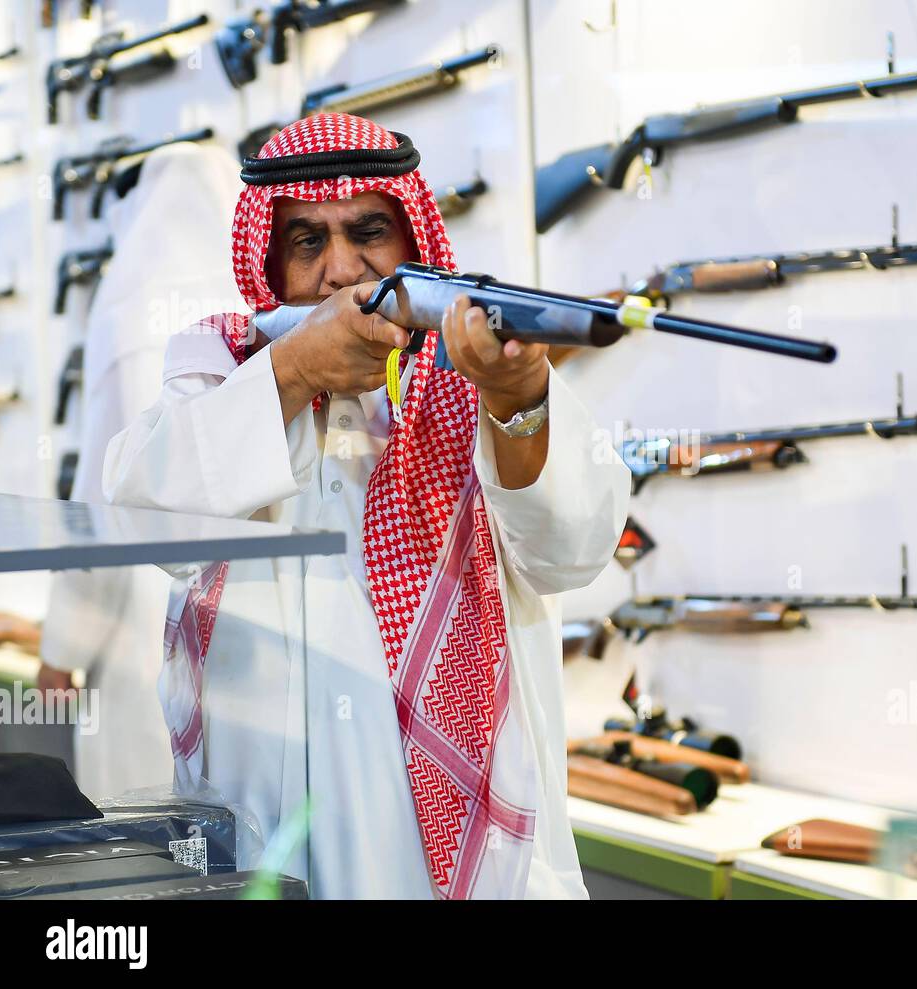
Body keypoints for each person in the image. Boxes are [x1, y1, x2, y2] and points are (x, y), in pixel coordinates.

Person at [103, 114, 631, 899]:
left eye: (368, 232)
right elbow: (145, 515)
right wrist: (290, 373)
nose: (342, 268)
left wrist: (519, 400)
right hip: (270, 855)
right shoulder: (224, 373)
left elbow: (571, 553)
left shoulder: (480, 373)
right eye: (307, 240)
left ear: (413, 243)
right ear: (270, 260)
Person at [38, 142, 243, 800]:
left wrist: (62, 646)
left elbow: (100, 509)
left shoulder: (125, 310)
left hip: (139, 637)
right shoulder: (249, 303)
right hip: (242, 640)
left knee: (140, 856)